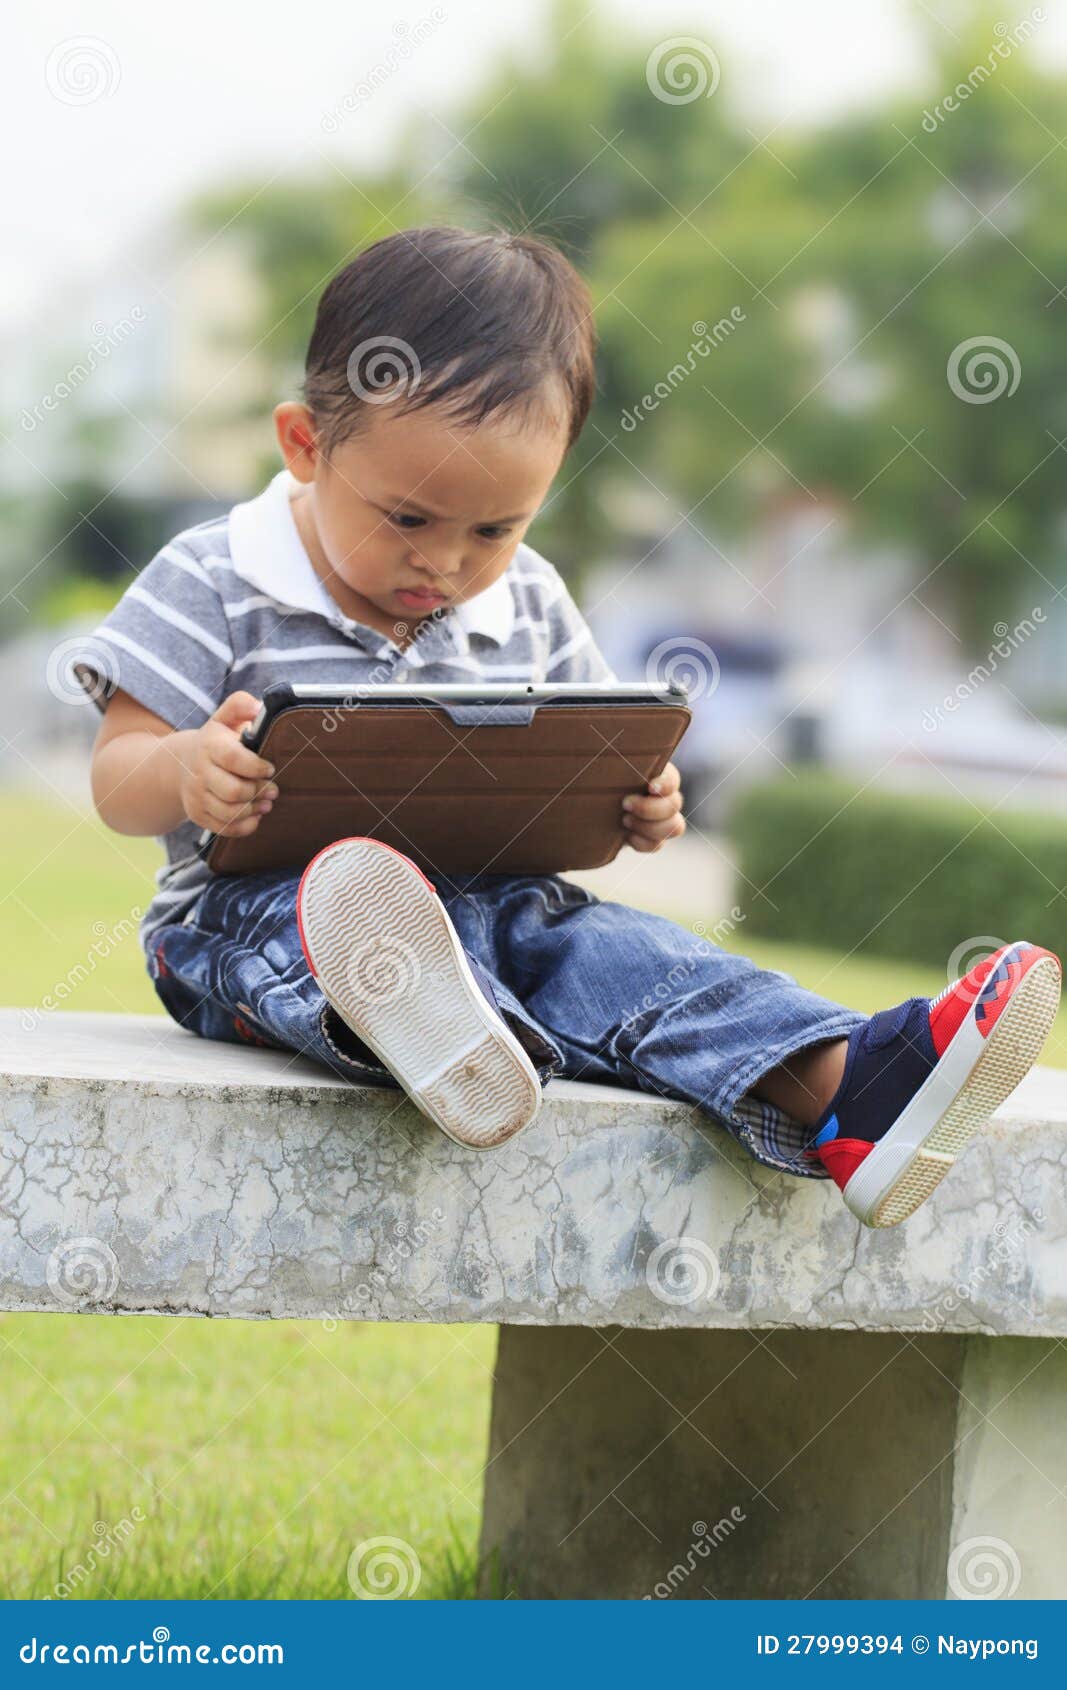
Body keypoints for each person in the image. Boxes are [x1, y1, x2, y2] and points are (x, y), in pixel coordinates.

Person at [74, 226, 1060, 1230]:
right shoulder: (215, 575)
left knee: (629, 957)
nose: (446, 564)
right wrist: (188, 770)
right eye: (408, 519)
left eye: (495, 529)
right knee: (346, 924)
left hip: (498, 911)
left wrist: (634, 800)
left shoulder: (532, 601)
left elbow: (588, 747)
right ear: (304, 444)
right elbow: (118, 770)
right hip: (244, 920)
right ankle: (447, 1022)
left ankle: (848, 1083)